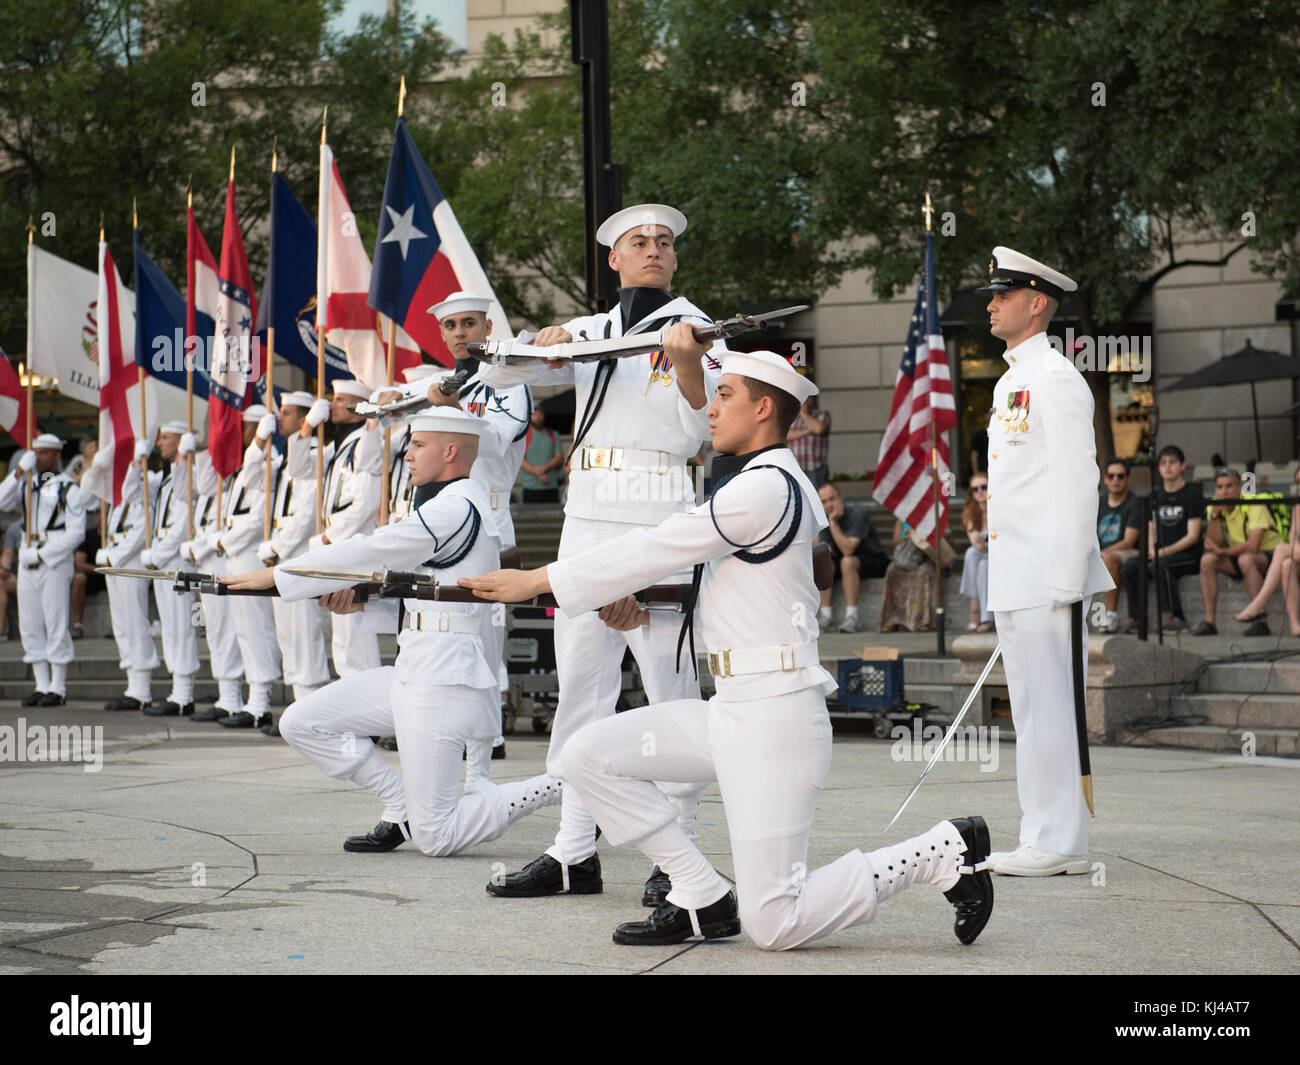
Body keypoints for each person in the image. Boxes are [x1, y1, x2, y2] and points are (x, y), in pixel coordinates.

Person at [461, 344, 994, 950]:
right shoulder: (770, 482)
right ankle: (701, 892)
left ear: (764, 407)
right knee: (586, 754)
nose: (709, 408)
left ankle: (942, 850)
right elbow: (738, 575)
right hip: (732, 710)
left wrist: (536, 581)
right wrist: (638, 600)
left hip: (777, 720)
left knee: (776, 924)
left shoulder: (763, 487)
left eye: (725, 395)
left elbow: (660, 545)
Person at [475, 203, 726, 903]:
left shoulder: (695, 327)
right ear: (613, 259)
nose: (652, 249)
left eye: (663, 242)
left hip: (658, 518)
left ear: (675, 259)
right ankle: (572, 850)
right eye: (637, 242)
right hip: (586, 519)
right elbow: (497, 378)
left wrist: (688, 368)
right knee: (582, 687)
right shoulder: (590, 331)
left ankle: (678, 851)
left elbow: (709, 425)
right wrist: (540, 342)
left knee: (668, 687)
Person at [224, 408, 564, 856]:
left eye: (418, 444)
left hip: (443, 681)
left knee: (437, 838)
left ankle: (564, 786)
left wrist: (280, 576)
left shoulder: (457, 505)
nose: (407, 454)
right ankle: (401, 803)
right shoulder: (443, 503)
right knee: (303, 722)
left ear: (449, 451)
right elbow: (416, 587)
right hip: (413, 669)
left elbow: (376, 548)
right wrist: (361, 598)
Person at [979, 246, 1112, 877]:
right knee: (1031, 709)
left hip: (1045, 575)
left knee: (1052, 708)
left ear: (1036, 303)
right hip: (1017, 574)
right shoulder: (1012, 379)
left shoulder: (1056, 379)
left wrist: (1065, 577)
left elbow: (1077, 483)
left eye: (1003, 294)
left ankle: (1059, 839)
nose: (991, 303)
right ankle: (1044, 833)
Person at [251, 391, 330, 736]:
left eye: (285, 414)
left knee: (303, 631)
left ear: (303, 419)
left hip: (297, 552)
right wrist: (258, 439)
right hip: (283, 554)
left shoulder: (316, 454)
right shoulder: (286, 458)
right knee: (287, 631)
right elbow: (249, 478)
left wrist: (277, 545)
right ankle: (298, 709)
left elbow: (307, 512)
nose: (278, 418)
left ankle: (311, 710)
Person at [208, 406, 284, 727]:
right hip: (236, 555)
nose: (242, 435)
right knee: (242, 628)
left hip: (252, 553)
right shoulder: (246, 467)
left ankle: (261, 702)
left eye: (248, 429)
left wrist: (227, 541)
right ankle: (251, 701)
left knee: (257, 628)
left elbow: (257, 520)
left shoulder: (271, 463)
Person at [0, 433, 83, 705]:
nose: (40, 458)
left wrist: (45, 554)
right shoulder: (25, 485)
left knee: (56, 621)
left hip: (53, 561)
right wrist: (19, 471)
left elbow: (76, 533)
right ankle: (41, 683)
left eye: (45, 453)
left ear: (57, 456)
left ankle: (57, 688)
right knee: (30, 623)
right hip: (27, 560)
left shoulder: (69, 488)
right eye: (36, 453)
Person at [86, 441, 163, 710]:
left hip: (130, 566)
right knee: (120, 624)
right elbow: (87, 495)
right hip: (116, 564)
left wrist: (113, 556)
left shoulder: (145, 496)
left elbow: (140, 533)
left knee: (134, 621)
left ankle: (142, 688)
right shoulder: (118, 503)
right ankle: (133, 684)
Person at [139, 424, 204, 717]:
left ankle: (184, 694)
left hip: (177, 560)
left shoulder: (188, 475)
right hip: (163, 560)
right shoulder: (164, 481)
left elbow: (183, 524)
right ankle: (177, 691)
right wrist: (132, 461)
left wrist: (158, 553)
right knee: (169, 627)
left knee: (181, 627)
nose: (158, 443)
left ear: (179, 442)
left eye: (165, 438)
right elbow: (129, 492)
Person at [1120, 445, 1203, 634]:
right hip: (1160, 554)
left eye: (1173, 462)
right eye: (1163, 463)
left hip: (1188, 556)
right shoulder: (1155, 496)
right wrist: (1152, 550)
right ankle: (1138, 620)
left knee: (1160, 565)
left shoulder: (1192, 493)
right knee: (1131, 567)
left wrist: (1162, 553)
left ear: (1183, 466)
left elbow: (1193, 536)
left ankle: (1176, 618)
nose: (1168, 467)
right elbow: (1151, 528)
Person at [1195, 467, 1280, 636]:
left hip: (1271, 556)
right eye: (1219, 487)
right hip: (1239, 555)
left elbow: (1253, 546)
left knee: (1246, 559)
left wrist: (1223, 552)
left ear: (1240, 487)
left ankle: (1260, 621)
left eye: (1229, 486)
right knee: (1207, 561)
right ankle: (1209, 622)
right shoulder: (1215, 506)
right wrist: (1214, 516)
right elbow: (1213, 544)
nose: (1224, 491)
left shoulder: (1253, 503)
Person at [1234, 465, 1300, 636]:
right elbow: (1293, 537)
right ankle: (1295, 625)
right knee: (1286, 565)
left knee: (1281, 549)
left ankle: (1258, 604)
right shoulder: (1297, 508)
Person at [816, 481, 888, 633]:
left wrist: (834, 524)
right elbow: (826, 550)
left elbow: (848, 549)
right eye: (823, 502)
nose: (829, 505)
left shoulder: (856, 514)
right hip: (846, 563)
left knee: (847, 561)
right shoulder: (824, 519)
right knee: (823, 561)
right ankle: (826, 616)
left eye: (832, 499)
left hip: (874, 561)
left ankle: (851, 617)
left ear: (840, 498)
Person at [1095, 457, 1141, 633]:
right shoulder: (1099, 501)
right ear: (1105, 479)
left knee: (1109, 559)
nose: (1115, 480)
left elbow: (1128, 541)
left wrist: (1100, 554)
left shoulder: (1134, 502)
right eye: (1111, 476)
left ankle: (1112, 615)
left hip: (1128, 552)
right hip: (1102, 552)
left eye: (1120, 476)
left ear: (1128, 479)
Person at [879, 519, 947, 632]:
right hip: (908, 556)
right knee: (891, 570)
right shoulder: (901, 521)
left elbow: (946, 537)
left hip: (927, 557)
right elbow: (895, 542)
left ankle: (925, 620)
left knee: (924, 571)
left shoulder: (935, 515)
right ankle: (892, 619)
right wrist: (909, 536)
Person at [959, 474, 993, 632]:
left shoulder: (998, 508)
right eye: (975, 489)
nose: (980, 491)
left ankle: (977, 614)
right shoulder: (970, 513)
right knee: (972, 554)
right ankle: (978, 609)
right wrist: (986, 543)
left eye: (984, 487)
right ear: (971, 494)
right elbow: (976, 543)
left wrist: (986, 543)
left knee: (983, 563)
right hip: (982, 555)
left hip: (999, 557)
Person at [519, 407, 563, 503]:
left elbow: (559, 458)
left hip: (551, 486)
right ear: (530, 417)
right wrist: (538, 472)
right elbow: (520, 460)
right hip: (530, 487)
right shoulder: (524, 437)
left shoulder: (553, 435)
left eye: (540, 415)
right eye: (535, 415)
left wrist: (543, 468)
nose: (538, 418)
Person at [786, 394, 831, 486]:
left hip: (815, 467)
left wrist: (803, 413)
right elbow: (786, 435)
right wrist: (808, 431)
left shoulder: (822, 414)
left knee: (818, 497)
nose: (806, 401)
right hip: (795, 467)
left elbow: (818, 429)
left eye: (809, 398)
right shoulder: (791, 417)